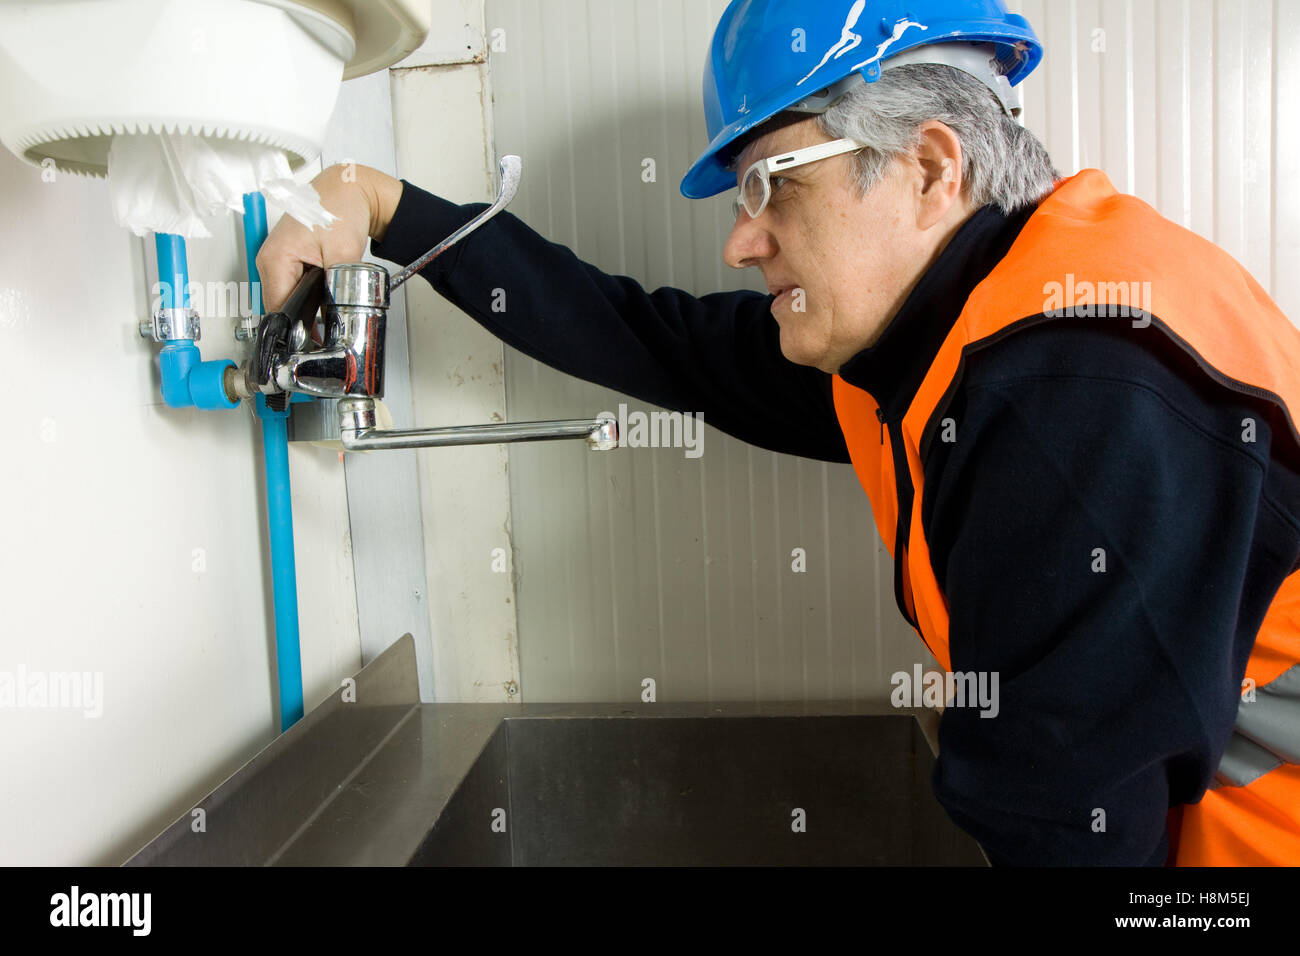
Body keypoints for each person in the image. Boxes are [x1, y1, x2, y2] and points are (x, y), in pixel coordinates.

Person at [256, 0, 1300, 865]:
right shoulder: (924, 343)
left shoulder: (1079, 390)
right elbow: (643, 335)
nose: (740, 238)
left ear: (929, 169)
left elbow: (1068, 831)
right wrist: (385, 204)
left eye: (769, 185)